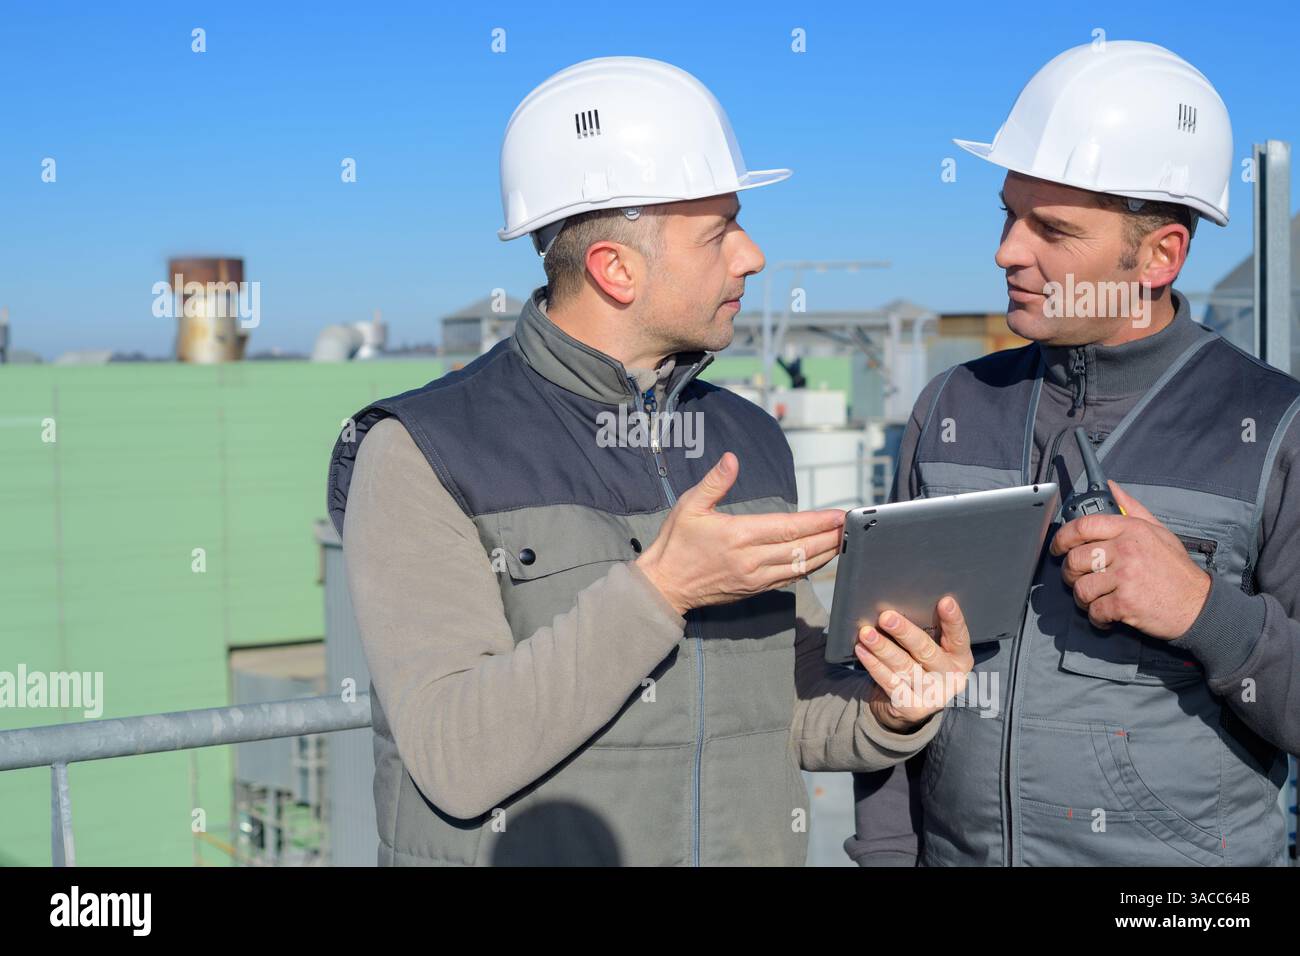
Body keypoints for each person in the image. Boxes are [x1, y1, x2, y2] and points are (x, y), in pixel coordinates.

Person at [327, 56, 973, 866]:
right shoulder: (424, 450)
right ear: (615, 269)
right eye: (719, 232)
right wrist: (662, 591)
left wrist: (891, 709)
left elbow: (788, 707)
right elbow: (458, 757)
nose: (753, 256)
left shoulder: (748, 438)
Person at [848, 40, 1300, 867]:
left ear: (1160, 255)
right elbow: (884, 669)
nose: (1007, 252)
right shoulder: (952, 409)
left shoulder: (1273, 427)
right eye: (1007, 214)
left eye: (1051, 228)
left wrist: (1204, 609)